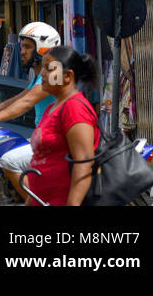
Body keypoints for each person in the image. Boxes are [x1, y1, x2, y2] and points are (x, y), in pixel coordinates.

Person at [0, 21, 61, 199]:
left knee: (8, 162)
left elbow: (27, 102)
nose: (21, 52)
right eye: (22, 47)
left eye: (27, 47)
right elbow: (17, 99)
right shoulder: (39, 76)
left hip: (54, 142)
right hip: (43, 137)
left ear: (43, 48)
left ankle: (36, 203)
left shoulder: (53, 74)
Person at [25, 47, 100, 207]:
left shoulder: (74, 108)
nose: (42, 74)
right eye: (43, 67)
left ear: (67, 76)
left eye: (49, 69)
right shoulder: (52, 108)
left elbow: (84, 162)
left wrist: (73, 203)